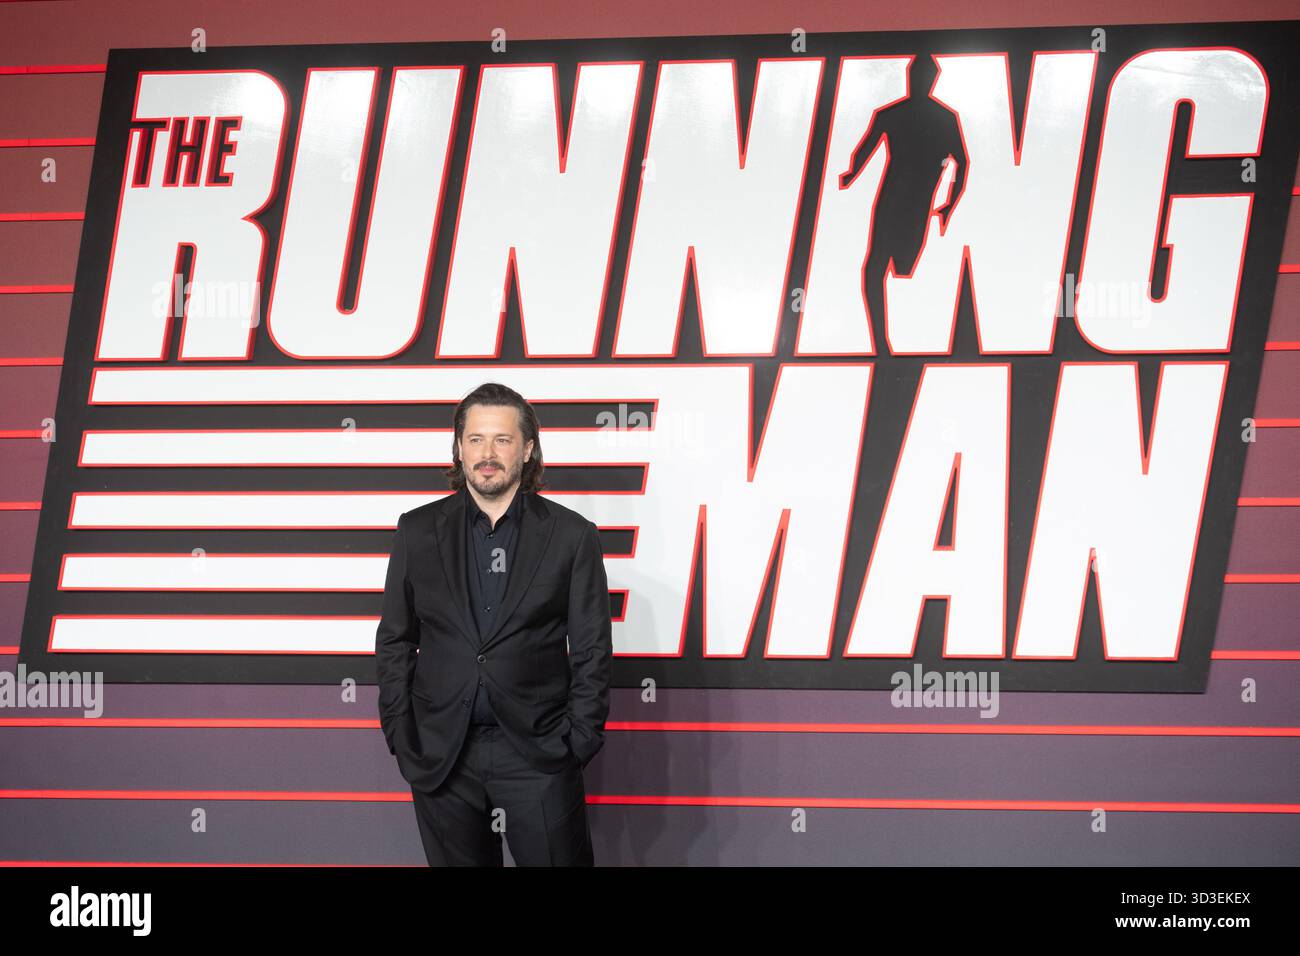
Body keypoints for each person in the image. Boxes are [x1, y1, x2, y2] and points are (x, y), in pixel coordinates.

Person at [374, 382, 613, 866]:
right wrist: (401, 732)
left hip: (538, 755)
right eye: (476, 439)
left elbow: (591, 650)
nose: (488, 453)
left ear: (527, 449)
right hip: (443, 754)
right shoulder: (416, 531)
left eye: (502, 440)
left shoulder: (572, 536)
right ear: (459, 448)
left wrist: (577, 740)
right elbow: (396, 640)